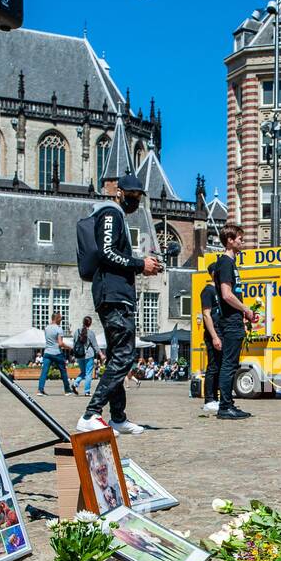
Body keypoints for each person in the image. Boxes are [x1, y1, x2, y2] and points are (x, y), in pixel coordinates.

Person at [77, 174, 163, 435]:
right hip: (113, 296)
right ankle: (91, 414)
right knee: (124, 356)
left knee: (117, 356)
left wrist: (141, 265)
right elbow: (108, 252)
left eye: (139, 197)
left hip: (116, 294)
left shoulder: (116, 216)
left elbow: (112, 253)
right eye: (133, 196)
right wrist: (139, 264)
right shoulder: (111, 214)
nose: (135, 201)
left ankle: (118, 417)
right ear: (119, 192)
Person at [213, 224, 261, 420]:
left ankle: (227, 404)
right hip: (230, 321)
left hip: (234, 319)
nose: (242, 242)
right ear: (230, 240)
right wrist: (246, 309)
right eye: (240, 239)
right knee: (229, 365)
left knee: (230, 364)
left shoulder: (230, 263)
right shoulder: (225, 263)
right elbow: (226, 294)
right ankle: (225, 406)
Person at [35, 312, 73, 396]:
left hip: (47, 352)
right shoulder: (59, 329)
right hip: (57, 353)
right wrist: (69, 347)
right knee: (63, 371)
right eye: (61, 318)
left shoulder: (46, 328)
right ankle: (67, 390)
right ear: (57, 319)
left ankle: (40, 390)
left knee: (44, 372)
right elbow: (60, 343)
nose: (61, 320)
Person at [75, 315, 103, 397]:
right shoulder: (91, 333)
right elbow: (95, 345)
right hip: (89, 355)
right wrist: (101, 354)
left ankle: (75, 383)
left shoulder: (77, 331)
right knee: (88, 373)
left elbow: (74, 343)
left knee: (83, 372)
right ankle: (87, 391)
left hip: (79, 355)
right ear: (90, 324)